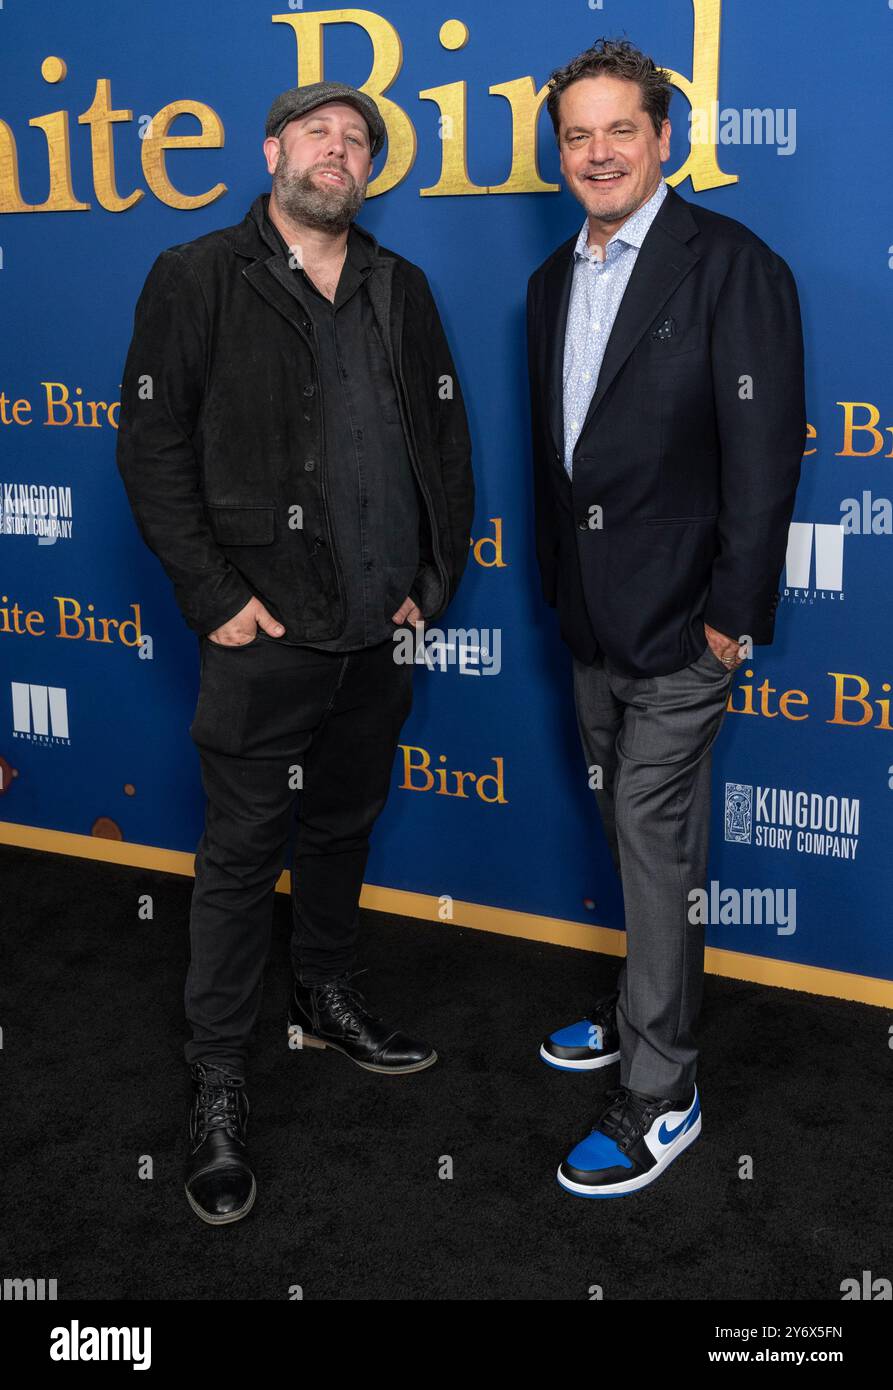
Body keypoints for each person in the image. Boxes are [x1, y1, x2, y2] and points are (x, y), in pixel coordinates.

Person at [116, 80, 474, 1224]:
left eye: (357, 139)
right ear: (271, 152)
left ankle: (323, 995)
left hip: (377, 631)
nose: (338, 149)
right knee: (237, 858)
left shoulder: (397, 285)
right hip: (263, 635)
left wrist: (431, 581)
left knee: (339, 828)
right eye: (318, 132)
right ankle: (218, 1079)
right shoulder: (196, 276)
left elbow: (444, 440)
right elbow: (151, 443)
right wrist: (214, 596)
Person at [526, 39, 805, 1196]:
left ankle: (661, 1092)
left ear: (662, 139)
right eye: (576, 134)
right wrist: (560, 591)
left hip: (688, 621)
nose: (596, 152)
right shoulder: (550, 280)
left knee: (648, 832)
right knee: (638, 836)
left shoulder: (731, 264)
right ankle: (647, 1000)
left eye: (618, 130)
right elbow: (562, 456)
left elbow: (763, 453)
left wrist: (731, 616)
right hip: (589, 621)